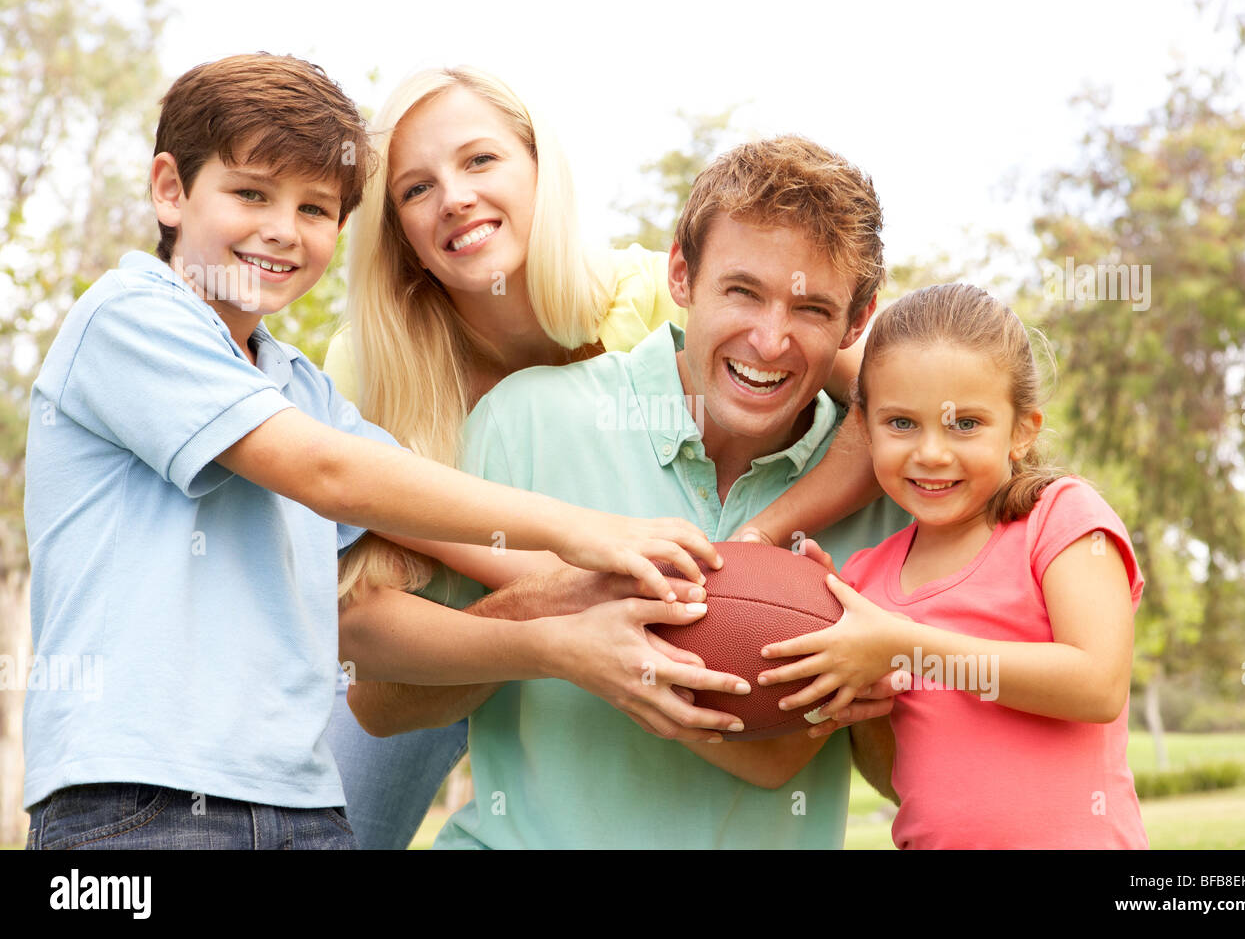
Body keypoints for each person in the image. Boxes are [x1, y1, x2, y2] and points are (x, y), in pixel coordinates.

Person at [21, 53, 720, 850]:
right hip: (142, 799)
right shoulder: (131, 315)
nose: (283, 229)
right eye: (251, 193)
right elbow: (330, 474)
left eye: (315, 208)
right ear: (170, 189)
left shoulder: (296, 384)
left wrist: (640, 598)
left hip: (301, 806)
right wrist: (583, 529)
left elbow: (442, 524)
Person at [320, 68, 877, 848]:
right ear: (398, 231)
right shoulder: (381, 370)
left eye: (480, 161)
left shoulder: (641, 291)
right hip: (430, 633)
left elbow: (893, 391)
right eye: (415, 189)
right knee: (337, 823)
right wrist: (562, 628)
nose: (454, 198)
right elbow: (368, 651)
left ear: (541, 170)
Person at [759, 283, 1149, 848]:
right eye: (901, 423)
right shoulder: (864, 581)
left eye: (966, 424)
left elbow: (1097, 685)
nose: (932, 452)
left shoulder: (1060, 518)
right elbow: (892, 775)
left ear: (1021, 430)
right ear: (864, 427)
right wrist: (840, 650)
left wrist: (902, 644)